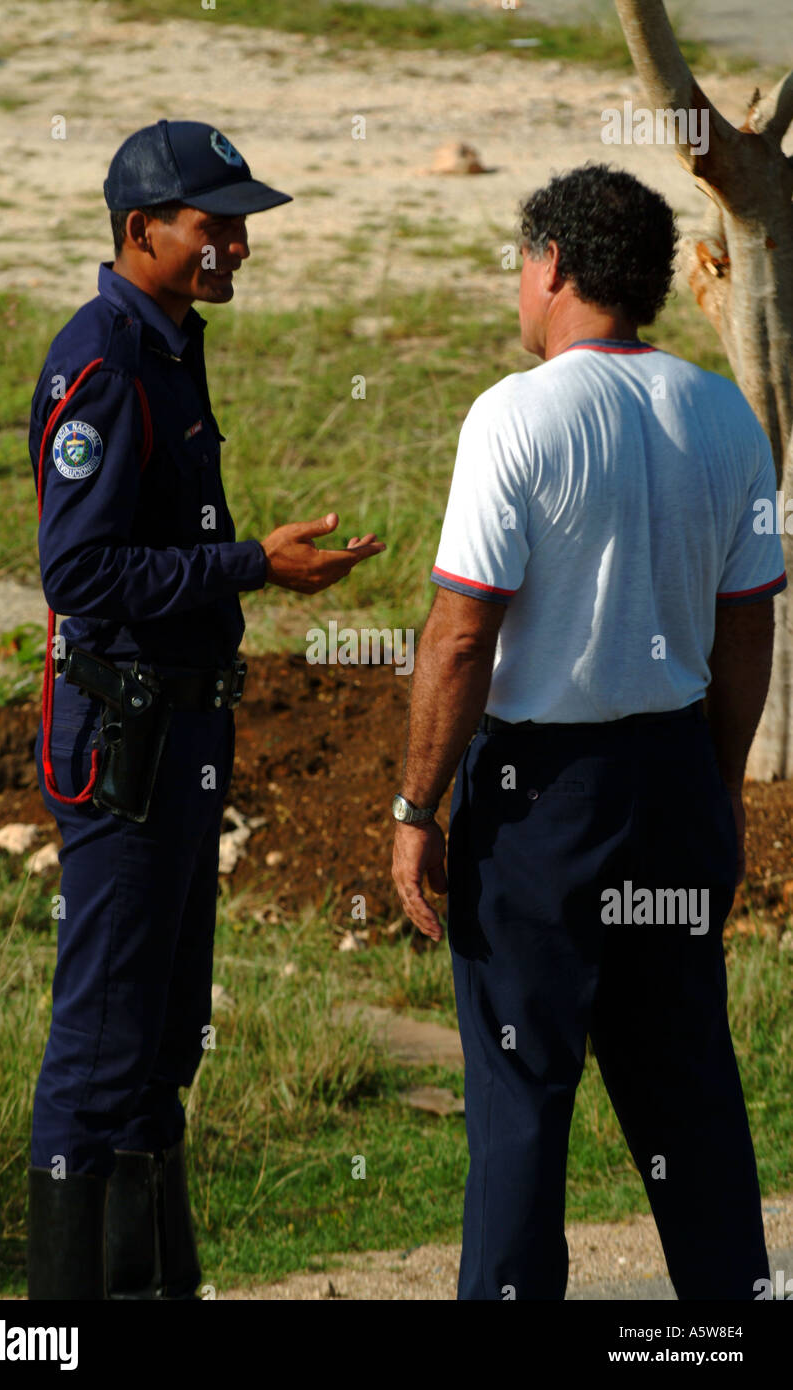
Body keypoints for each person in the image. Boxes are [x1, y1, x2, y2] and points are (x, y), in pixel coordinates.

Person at [390, 162, 785, 1301]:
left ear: (553, 266)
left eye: (521, 263)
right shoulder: (720, 411)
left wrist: (417, 808)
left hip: (538, 802)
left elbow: (460, 638)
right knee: (685, 1090)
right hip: (670, 779)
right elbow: (746, 628)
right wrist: (714, 792)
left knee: (522, 1099)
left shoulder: (514, 416)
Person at [27, 118, 385, 1300]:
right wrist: (248, 568)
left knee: (166, 1031)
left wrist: (249, 572)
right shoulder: (103, 361)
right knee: (101, 1043)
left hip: (180, 729)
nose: (237, 242)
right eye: (213, 222)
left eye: (239, 222)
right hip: (121, 739)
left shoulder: (168, 343)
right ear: (141, 232)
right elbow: (78, 576)